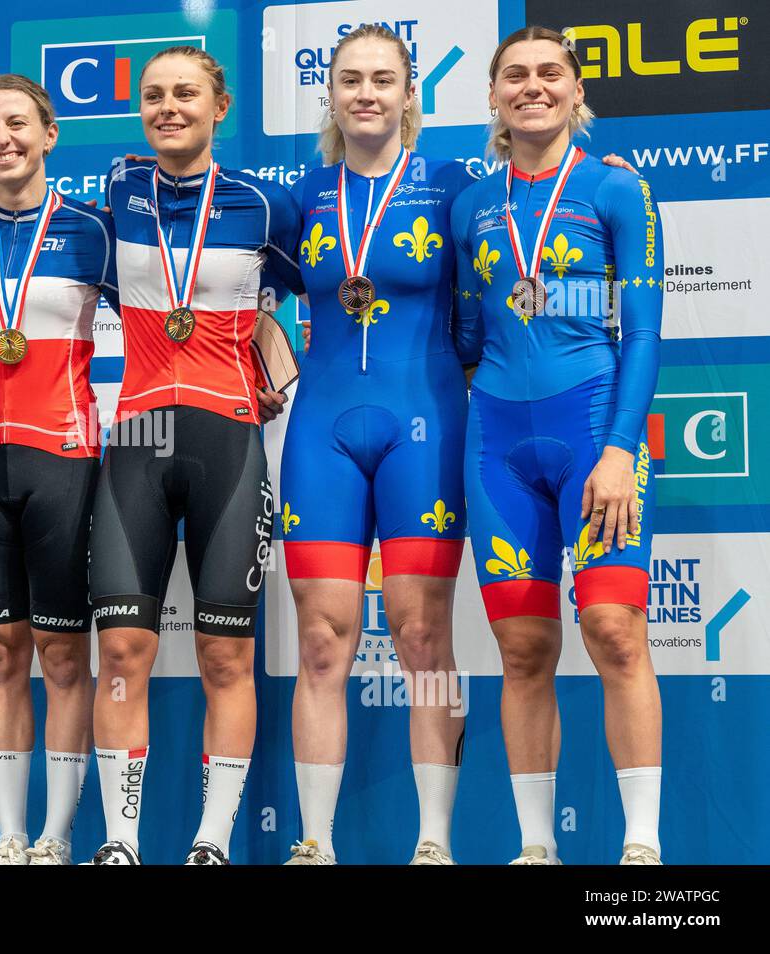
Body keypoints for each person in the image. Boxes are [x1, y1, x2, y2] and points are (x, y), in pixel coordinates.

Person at [85, 46, 304, 865]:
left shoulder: (266, 204)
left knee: (225, 653)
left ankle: (211, 842)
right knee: (121, 651)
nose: (168, 107)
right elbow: (32, 220)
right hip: (139, 437)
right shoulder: (117, 192)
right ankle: (121, 841)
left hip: (229, 437)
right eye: (153, 95)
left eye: (185, 93)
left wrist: (276, 363)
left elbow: (334, 282)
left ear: (221, 106)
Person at [451, 26, 664, 865]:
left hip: (593, 430)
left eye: (550, 74)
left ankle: (641, 844)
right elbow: (467, 333)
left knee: (614, 629)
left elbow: (642, 333)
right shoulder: (470, 204)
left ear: (577, 92)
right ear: (493, 96)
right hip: (498, 443)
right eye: (515, 75)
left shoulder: (618, 189)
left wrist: (618, 451)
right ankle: (536, 847)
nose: (532, 87)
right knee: (524, 647)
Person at [278, 24, 474, 866]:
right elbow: (213, 256)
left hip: (423, 427)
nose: (366, 93)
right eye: (350, 79)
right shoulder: (298, 196)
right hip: (321, 431)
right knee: (322, 641)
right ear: (329, 93)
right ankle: (315, 843)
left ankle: (434, 841)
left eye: (382, 79)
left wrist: (604, 172)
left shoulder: (453, 185)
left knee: (423, 635)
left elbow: (532, 212)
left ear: (408, 94)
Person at [0, 74, 116, 865]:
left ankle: (55, 836)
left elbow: (165, 316)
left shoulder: (94, 229)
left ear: (50, 134)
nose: (1, 138)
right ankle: (11, 836)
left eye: (16, 123)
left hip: (63, 456)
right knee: (0, 652)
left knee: (63, 653)